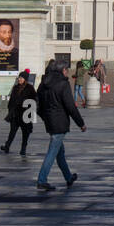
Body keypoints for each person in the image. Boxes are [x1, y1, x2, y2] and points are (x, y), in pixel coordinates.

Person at [35, 62, 86, 192]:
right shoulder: (63, 84)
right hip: (60, 122)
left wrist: (45, 117)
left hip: (49, 121)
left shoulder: (43, 84)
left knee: (59, 152)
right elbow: (70, 106)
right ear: (62, 70)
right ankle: (42, 180)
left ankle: (68, 177)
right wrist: (80, 123)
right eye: (66, 70)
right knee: (52, 151)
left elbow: (38, 105)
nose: (67, 72)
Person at [2, 72, 36, 155]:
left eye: (22, 78)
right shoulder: (15, 87)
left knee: (25, 132)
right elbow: (11, 100)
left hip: (25, 114)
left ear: (25, 79)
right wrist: (10, 109)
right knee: (12, 131)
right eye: (19, 78)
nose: (20, 79)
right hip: (15, 114)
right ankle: (7, 146)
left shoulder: (30, 88)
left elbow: (34, 100)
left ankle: (23, 148)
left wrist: (30, 110)